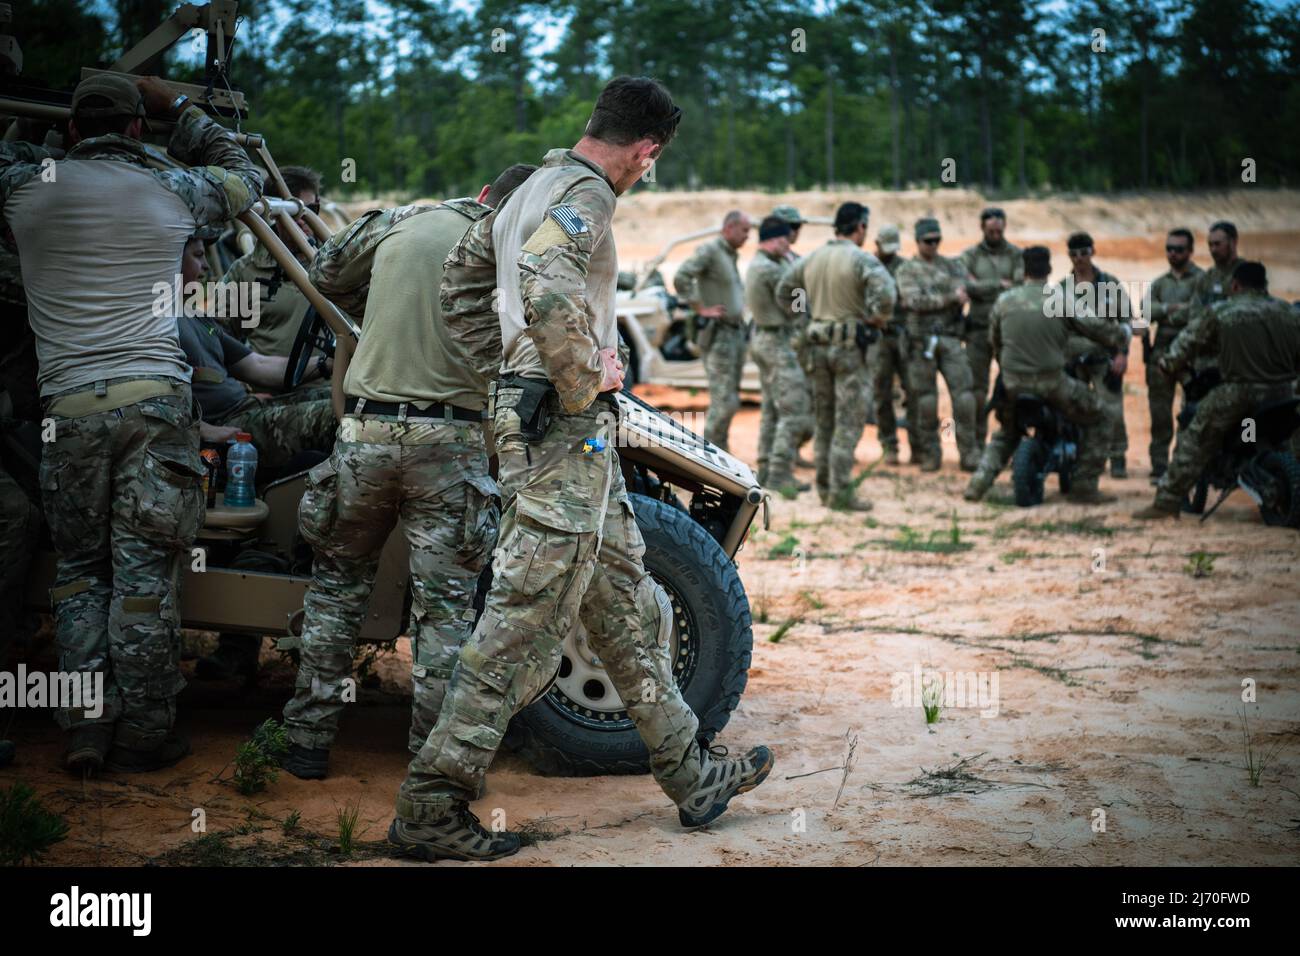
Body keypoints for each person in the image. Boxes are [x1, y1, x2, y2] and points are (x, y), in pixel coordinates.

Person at [390, 76, 773, 862]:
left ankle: (690, 771)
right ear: (646, 149)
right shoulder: (586, 195)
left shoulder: (527, 187)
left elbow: (461, 281)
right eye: (651, 163)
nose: (647, 173)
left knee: (623, 602)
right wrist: (575, 375)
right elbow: (544, 279)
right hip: (565, 432)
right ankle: (430, 804)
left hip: (562, 432)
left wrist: (500, 370)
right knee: (520, 621)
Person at [0, 73, 261, 774]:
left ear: (74, 129)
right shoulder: (172, 189)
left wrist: (38, 123)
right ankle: (147, 732)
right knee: (145, 574)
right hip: (154, 406)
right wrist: (181, 108)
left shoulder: (26, 186)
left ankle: (86, 729)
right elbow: (244, 175)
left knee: (82, 575)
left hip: (69, 414)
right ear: (138, 129)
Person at [277, 163, 537, 779]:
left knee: (337, 589)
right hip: (452, 444)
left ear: (480, 193)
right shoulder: (522, 260)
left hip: (365, 432)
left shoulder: (404, 221)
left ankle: (306, 743)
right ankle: (429, 759)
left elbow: (322, 272)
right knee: (444, 610)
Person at [1134, 262, 1300, 520]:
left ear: (1234, 285)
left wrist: (1168, 365)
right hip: (1284, 394)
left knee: (1194, 438)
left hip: (1239, 392)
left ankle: (1167, 501)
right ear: (1264, 285)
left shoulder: (1223, 311)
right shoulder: (1288, 312)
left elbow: (1187, 343)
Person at [964, 246, 1129, 504]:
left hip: (1013, 384)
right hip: (1053, 384)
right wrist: (1120, 337)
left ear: (1023, 269)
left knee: (1007, 432)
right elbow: (1096, 328)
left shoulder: (1005, 301)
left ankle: (977, 484)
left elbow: (994, 342)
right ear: (1049, 269)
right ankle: (1084, 486)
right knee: (1102, 417)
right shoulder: (1059, 299)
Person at [174, 238, 335, 474]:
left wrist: (329, 362)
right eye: (198, 256)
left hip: (247, 409)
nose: (206, 266)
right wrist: (203, 429)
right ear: (173, 260)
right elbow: (153, 389)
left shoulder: (196, 317)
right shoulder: (158, 322)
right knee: (337, 417)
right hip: (226, 426)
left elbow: (257, 364)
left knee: (350, 400)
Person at [775, 202, 895, 510]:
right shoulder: (860, 259)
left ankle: (825, 487)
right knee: (849, 420)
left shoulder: (813, 258)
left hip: (817, 347)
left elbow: (783, 289)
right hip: (849, 350)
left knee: (825, 420)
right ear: (860, 227)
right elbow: (886, 294)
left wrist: (805, 316)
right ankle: (840, 491)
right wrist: (877, 318)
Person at [220, 165, 325, 380]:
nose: (306, 221)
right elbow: (217, 341)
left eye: (313, 210)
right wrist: (239, 392)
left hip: (331, 388)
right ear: (275, 215)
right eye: (296, 213)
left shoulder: (334, 265)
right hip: (276, 398)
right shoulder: (245, 273)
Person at [897, 217, 979, 471]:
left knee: (964, 396)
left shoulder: (952, 265)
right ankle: (931, 453)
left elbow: (967, 288)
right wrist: (948, 298)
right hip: (921, 341)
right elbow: (912, 301)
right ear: (918, 241)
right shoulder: (907, 270)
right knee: (925, 401)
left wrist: (939, 296)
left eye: (936, 240)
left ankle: (969, 452)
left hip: (952, 338)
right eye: (927, 241)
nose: (932, 245)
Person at [673, 209, 750, 450]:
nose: (748, 236)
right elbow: (682, 276)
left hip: (734, 334)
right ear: (729, 228)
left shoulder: (729, 255)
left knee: (731, 399)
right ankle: (712, 457)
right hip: (719, 336)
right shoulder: (711, 251)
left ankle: (721, 452)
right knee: (723, 402)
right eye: (745, 230)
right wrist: (700, 307)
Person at [1060, 232, 1134, 478]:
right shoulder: (1062, 288)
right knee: (1077, 409)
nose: (1079, 258)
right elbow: (1055, 326)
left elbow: (1126, 322)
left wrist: (1123, 355)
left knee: (1111, 408)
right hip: (1073, 360)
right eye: (1074, 254)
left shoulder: (1110, 284)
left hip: (1104, 358)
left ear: (1093, 252)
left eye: (1083, 252)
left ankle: (1117, 456)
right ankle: (1084, 457)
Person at [747, 215, 810, 494]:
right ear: (773, 239)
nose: (789, 245)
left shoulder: (764, 264)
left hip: (766, 339)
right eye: (785, 239)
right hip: (776, 342)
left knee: (773, 408)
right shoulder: (770, 270)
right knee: (793, 408)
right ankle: (781, 472)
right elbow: (797, 299)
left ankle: (766, 466)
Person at [1143, 228, 1203, 484]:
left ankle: (1184, 468)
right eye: (1169, 248)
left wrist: (1167, 313)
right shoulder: (1160, 282)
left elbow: (1199, 313)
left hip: (1194, 352)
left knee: (1191, 413)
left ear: (1190, 251)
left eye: (1179, 249)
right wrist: (1171, 308)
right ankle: (1159, 467)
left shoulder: (1203, 279)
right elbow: (1146, 311)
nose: (1173, 254)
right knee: (1160, 414)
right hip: (1162, 351)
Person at [959, 207, 1022, 448]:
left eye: (999, 229)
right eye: (991, 229)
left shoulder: (1017, 254)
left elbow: (1018, 286)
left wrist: (980, 285)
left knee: (1014, 387)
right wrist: (999, 284)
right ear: (982, 228)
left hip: (1009, 332)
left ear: (1004, 227)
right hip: (977, 331)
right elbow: (964, 283)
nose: (996, 233)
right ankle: (976, 443)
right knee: (976, 390)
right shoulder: (970, 255)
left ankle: (1011, 441)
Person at [869, 223, 915, 465]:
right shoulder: (867, 265)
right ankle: (890, 446)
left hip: (903, 335)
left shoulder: (905, 267)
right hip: (879, 337)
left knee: (914, 390)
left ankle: (918, 446)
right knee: (882, 393)